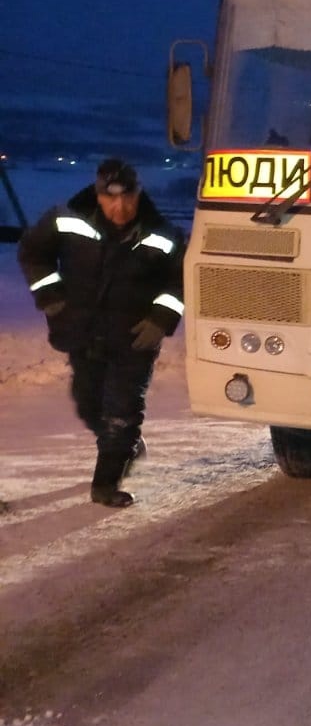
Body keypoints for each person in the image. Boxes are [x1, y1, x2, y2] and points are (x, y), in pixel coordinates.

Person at [16, 158, 186, 507]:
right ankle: (125, 445)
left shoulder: (163, 234)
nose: (119, 207)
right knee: (87, 403)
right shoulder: (65, 219)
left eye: (127, 198)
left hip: (134, 338)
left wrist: (160, 318)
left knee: (121, 410)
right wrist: (50, 296)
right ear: (98, 195)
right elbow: (33, 252)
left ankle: (106, 483)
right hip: (83, 332)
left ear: (138, 194)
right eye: (111, 198)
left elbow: (180, 281)